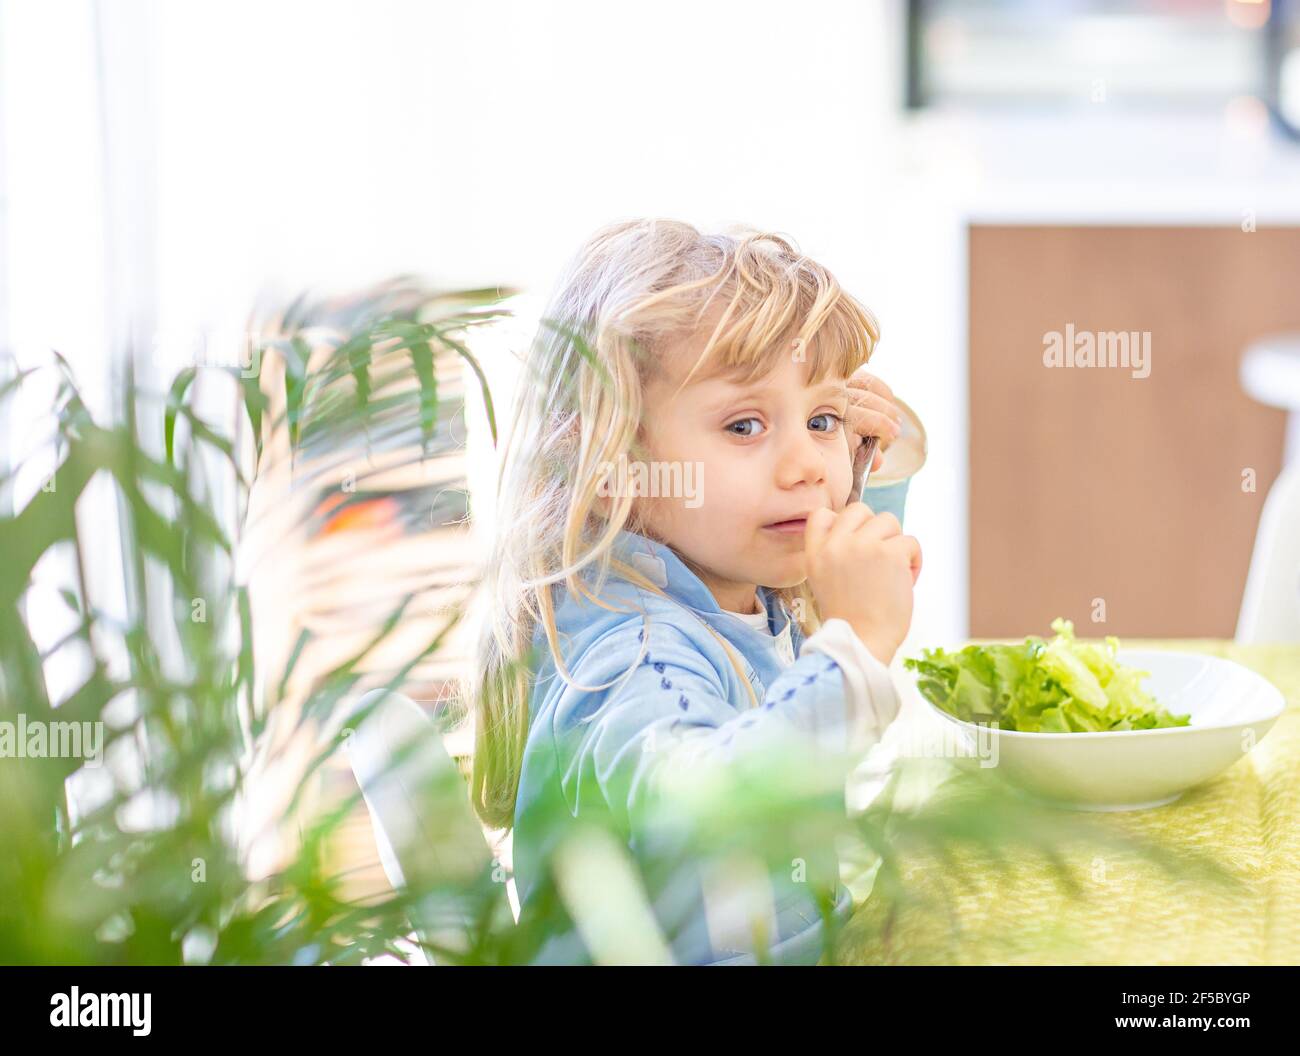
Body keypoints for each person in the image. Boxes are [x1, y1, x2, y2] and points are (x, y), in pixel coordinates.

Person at [465, 218, 921, 964]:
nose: (807, 464)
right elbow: (710, 810)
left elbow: (817, 572)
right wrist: (857, 650)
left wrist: (877, 473)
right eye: (745, 425)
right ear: (612, 467)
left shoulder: (717, 580)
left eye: (823, 419)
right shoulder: (631, 651)